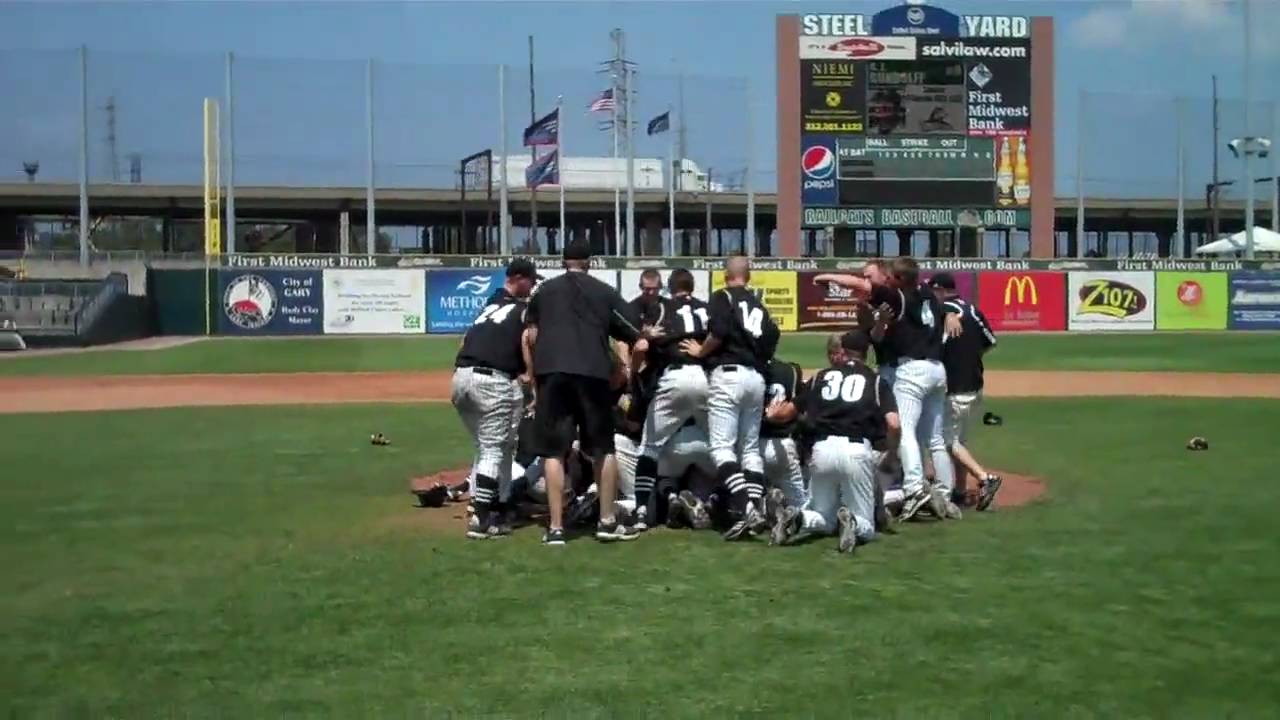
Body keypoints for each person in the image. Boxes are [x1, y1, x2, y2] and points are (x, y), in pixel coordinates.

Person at [813, 257, 957, 522]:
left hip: (910, 369)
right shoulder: (925, 292)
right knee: (934, 439)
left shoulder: (896, 296)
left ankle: (914, 490)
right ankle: (945, 494)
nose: (867, 281)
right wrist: (950, 313)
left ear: (889, 276)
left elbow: (862, 288)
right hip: (936, 369)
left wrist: (826, 277)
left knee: (905, 431)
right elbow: (875, 334)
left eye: (871, 276)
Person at [525, 241, 648, 545]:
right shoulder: (603, 291)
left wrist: (537, 375)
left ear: (563, 262)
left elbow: (531, 335)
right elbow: (634, 331)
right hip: (592, 373)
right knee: (603, 449)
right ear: (589, 262)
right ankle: (607, 522)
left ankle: (555, 528)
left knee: (554, 452)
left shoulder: (543, 291)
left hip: (552, 372)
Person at [680, 254, 780, 541]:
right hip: (755, 377)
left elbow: (719, 332)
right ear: (748, 277)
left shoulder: (722, 296)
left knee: (722, 449)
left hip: (728, 375)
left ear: (726, 275)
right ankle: (756, 506)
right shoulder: (759, 304)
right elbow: (772, 338)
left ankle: (746, 508)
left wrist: (700, 351)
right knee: (749, 450)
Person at [771, 330, 899, 553]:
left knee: (823, 516)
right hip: (856, 450)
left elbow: (787, 413)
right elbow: (894, 424)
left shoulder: (821, 377)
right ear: (866, 353)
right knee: (867, 525)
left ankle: (798, 517)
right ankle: (853, 521)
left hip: (822, 450)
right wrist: (892, 452)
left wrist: (772, 413)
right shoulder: (876, 380)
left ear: (843, 351)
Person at [450, 258, 539, 539]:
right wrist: (531, 377)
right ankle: (481, 518)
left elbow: (463, 342)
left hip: (461, 378)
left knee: (493, 446)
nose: (533, 286)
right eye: (531, 280)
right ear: (519, 278)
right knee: (492, 449)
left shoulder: (491, 304)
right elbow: (528, 341)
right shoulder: (524, 310)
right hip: (492, 380)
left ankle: (499, 505)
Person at [631, 268, 710, 530]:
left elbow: (643, 345)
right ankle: (735, 504)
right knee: (723, 446)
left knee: (649, 447)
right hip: (705, 379)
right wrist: (702, 349)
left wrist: (642, 346)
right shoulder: (706, 309)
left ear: (669, 287)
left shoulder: (661, 307)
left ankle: (641, 511)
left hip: (674, 377)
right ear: (692, 286)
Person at [929, 273, 1003, 512]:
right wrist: (968, 355)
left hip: (954, 387)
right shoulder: (973, 310)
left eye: (933, 291)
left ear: (940, 290)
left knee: (946, 441)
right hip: (974, 384)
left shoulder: (940, 311)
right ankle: (960, 490)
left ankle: (985, 478)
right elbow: (990, 342)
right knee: (959, 441)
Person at [760, 357, 809, 510]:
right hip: (782, 444)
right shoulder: (789, 370)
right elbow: (797, 412)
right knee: (798, 507)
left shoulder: (747, 369)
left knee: (753, 503)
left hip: (751, 447)